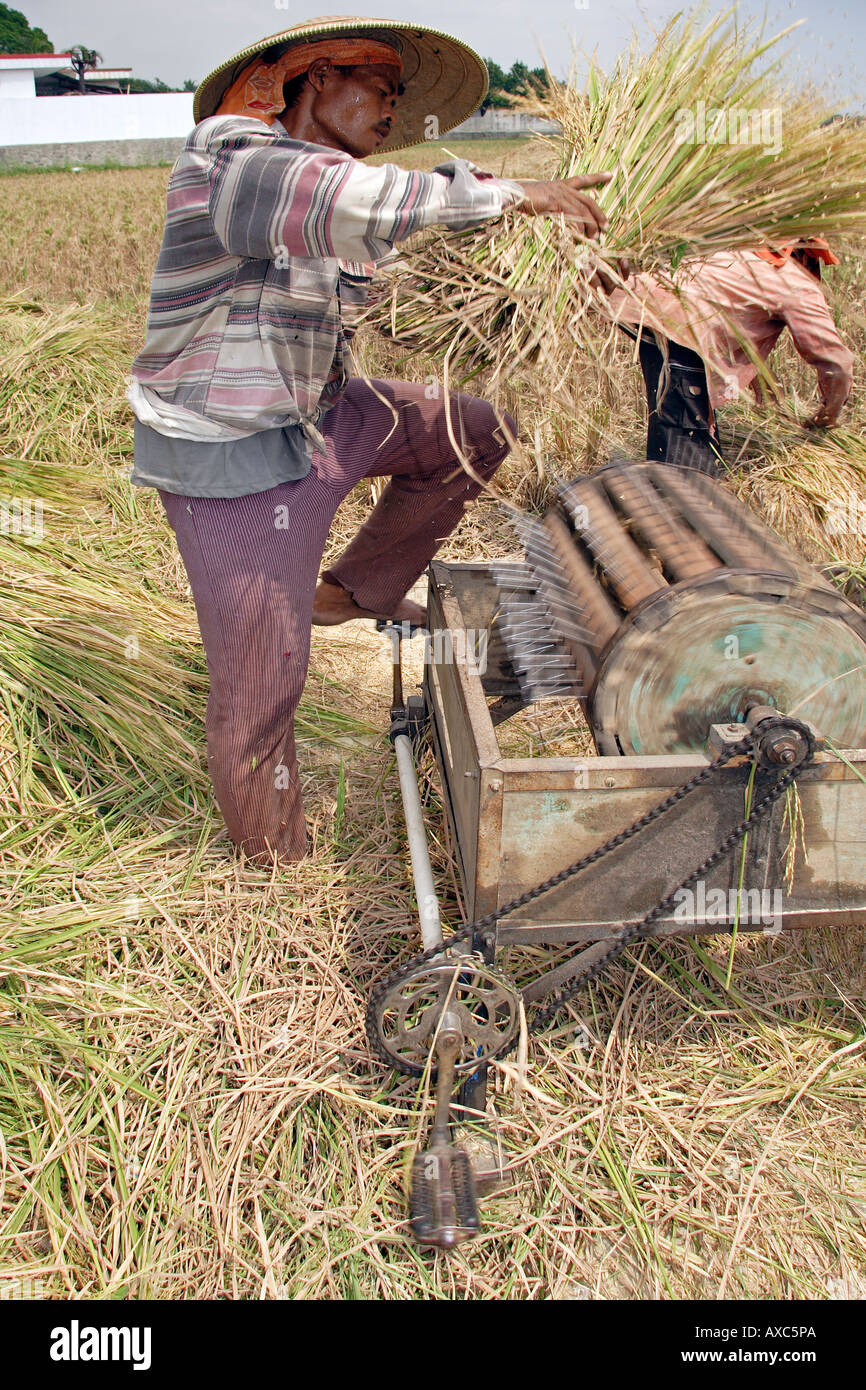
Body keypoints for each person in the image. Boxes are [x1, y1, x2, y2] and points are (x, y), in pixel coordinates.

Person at [128, 18, 611, 865]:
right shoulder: (230, 157)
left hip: (322, 419)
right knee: (263, 689)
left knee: (470, 429)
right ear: (313, 79)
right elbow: (343, 198)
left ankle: (355, 592)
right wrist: (512, 194)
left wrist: (533, 250)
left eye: (396, 99)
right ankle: (276, 874)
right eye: (378, 92)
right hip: (235, 465)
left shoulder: (340, 189)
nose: (390, 113)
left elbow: (388, 225)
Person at [608, 239, 855, 474]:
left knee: (674, 421)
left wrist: (761, 377)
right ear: (808, 257)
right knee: (687, 452)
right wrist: (827, 416)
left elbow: (730, 313)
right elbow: (837, 363)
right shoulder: (796, 283)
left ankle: (671, 487)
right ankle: (683, 499)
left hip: (647, 310)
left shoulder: (747, 253)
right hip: (679, 327)